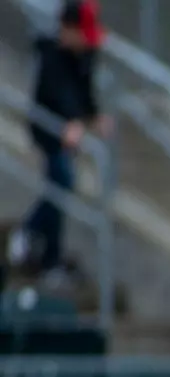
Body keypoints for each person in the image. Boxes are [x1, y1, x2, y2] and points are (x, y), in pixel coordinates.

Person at [9, 2, 109, 279]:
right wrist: (72, 121)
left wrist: (92, 115)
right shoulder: (52, 54)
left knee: (60, 188)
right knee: (60, 184)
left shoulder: (85, 54)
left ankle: (48, 255)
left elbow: (83, 89)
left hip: (67, 135)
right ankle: (31, 236)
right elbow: (56, 91)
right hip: (49, 132)